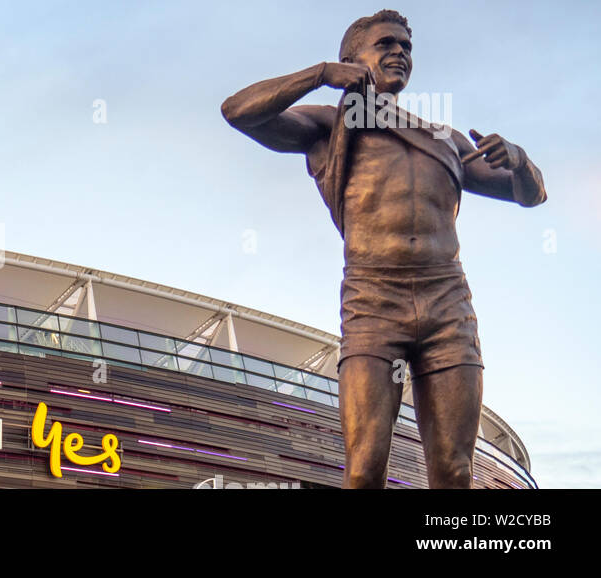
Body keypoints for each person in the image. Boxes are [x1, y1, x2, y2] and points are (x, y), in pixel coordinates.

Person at [220, 9, 546, 488]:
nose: (400, 53)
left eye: (407, 47)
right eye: (386, 44)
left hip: (448, 304)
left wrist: (519, 161)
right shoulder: (329, 126)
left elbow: (531, 194)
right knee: (366, 465)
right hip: (373, 301)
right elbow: (238, 111)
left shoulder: (446, 139)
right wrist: (318, 76)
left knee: (455, 471)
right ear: (351, 59)